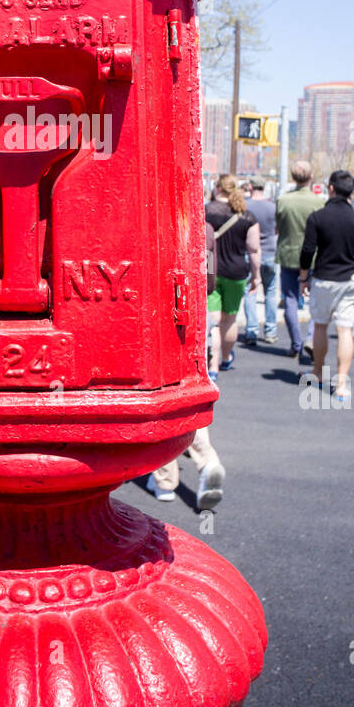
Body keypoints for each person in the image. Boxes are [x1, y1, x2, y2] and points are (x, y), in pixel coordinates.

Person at [148, 215, 225, 509]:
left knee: (160, 394)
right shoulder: (204, 226)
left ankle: (165, 479)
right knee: (188, 394)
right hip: (191, 314)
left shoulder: (151, 222)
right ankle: (207, 462)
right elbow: (211, 278)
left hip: (155, 317)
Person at [299, 170, 354, 405]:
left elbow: (308, 251)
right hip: (350, 280)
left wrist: (304, 277)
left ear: (331, 188)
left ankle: (318, 372)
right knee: (346, 330)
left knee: (321, 326)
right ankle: (342, 384)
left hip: (324, 279)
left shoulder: (317, 217)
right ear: (351, 191)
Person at [206, 174, 261, 374]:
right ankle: (227, 358)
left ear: (218, 188)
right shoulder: (246, 216)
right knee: (229, 320)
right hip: (236, 274)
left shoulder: (205, 211)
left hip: (211, 271)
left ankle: (212, 366)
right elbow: (254, 250)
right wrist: (256, 277)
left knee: (212, 321)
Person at [276, 161, 324, 361]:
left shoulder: (283, 201)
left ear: (293, 177)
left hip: (288, 255)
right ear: (311, 177)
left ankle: (296, 342)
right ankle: (311, 338)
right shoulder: (318, 202)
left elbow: (278, 228)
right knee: (316, 301)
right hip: (313, 258)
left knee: (290, 301)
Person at [242, 177, 278, 345]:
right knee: (270, 292)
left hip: (250, 254)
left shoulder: (245, 206)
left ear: (250, 187)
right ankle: (270, 331)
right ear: (264, 187)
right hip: (271, 252)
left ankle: (252, 330)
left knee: (250, 291)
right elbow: (277, 229)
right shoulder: (272, 207)